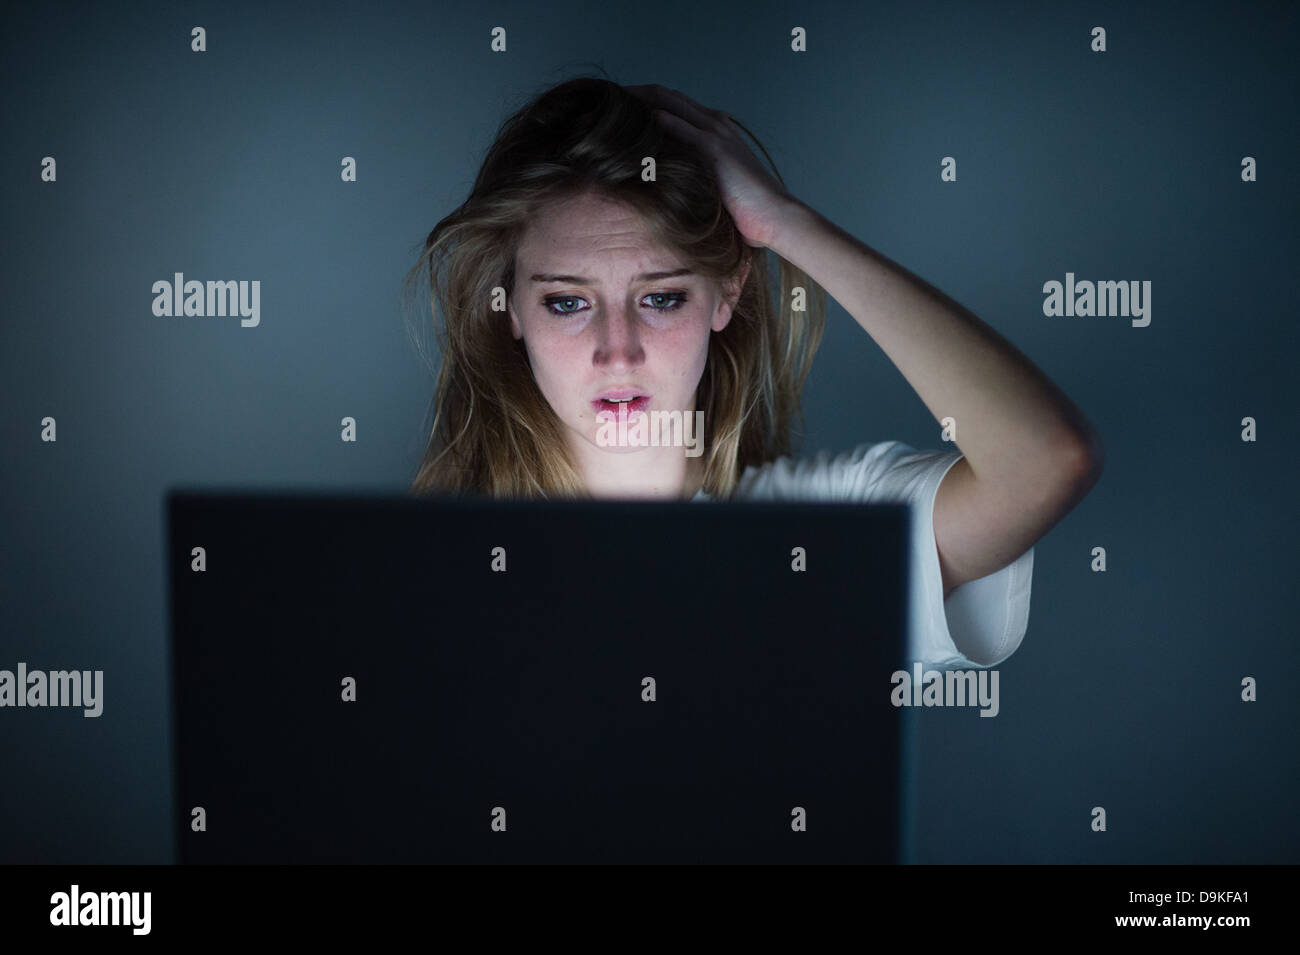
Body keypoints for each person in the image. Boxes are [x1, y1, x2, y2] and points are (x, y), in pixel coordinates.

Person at [404, 76, 1103, 669]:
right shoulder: (432, 576)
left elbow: (1046, 461)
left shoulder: (820, 544)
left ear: (727, 293)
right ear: (512, 309)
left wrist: (785, 227)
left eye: (661, 297)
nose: (617, 351)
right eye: (567, 301)